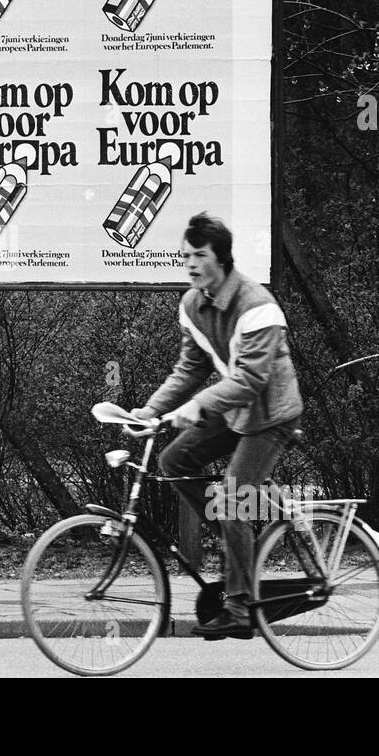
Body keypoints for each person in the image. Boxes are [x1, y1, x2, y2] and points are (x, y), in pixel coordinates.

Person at [129, 212, 303, 639]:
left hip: (271, 415)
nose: (189, 263)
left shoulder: (257, 306)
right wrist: (151, 411)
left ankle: (241, 607)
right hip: (235, 411)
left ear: (221, 259)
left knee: (230, 500)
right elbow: (189, 367)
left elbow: (250, 380)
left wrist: (200, 404)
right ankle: (240, 531)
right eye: (185, 254)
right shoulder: (193, 303)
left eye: (199, 255)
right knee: (175, 459)